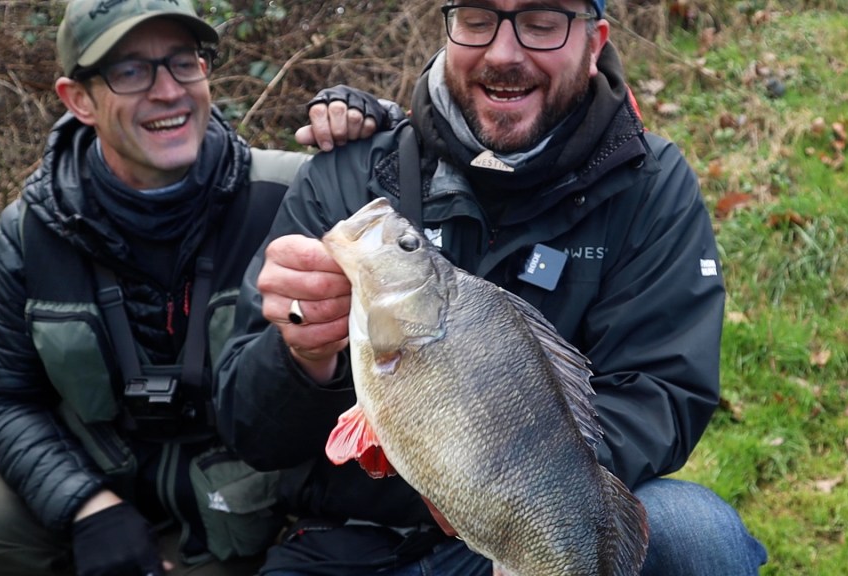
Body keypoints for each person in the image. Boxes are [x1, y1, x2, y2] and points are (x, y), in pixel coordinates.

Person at [215, 0, 769, 574]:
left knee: (700, 538)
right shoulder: (348, 176)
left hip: (538, 529)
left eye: (542, 23)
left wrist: (507, 492)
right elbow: (246, 427)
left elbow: (662, 392)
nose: (504, 54)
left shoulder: (650, 185)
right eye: (478, 20)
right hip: (348, 546)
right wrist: (302, 357)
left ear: (595, 40)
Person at [0, 1, 398, 574]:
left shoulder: (290, 195)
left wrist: (380, 133)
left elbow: (410, 221)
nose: (168, 91)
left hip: (252, 493)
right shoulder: (29, 232)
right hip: (101, 472)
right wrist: (86, 506)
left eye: (183, 62)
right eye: (131, 71)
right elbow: (2, 398)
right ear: (78, 100)